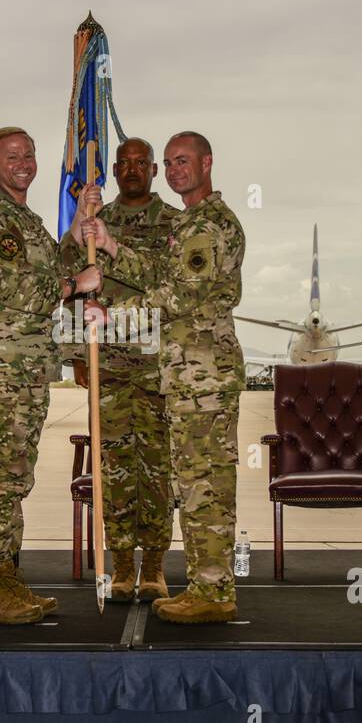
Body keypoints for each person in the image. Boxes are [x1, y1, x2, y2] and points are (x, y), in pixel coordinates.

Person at [85, 131, 244, 624]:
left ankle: (213, 592)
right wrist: (110, 244)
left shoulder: (211, 224)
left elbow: (180, 295)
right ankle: (205, 586)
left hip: (204, 380)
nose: (176, 170)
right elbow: (160, 272)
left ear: (207, 163)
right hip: (186, 379)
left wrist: (113, 318)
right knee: (194, 486)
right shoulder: (193, 221)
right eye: (171, 163)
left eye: (182, 161)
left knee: (205, 487)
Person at [0, 126, 102, 624]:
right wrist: (79, 283)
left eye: (30, 155)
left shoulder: (21, 220)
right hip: (0, 373)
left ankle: (3, 578)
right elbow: (28, 293)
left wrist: (78, 227)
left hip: (24, 372)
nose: (24, 163)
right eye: (13, 156)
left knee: (13, 479)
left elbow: (45, 270)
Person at [61, 138, 179, 602]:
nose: (132, 170)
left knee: (156, 468)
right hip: (106, 363)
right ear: (113, 169)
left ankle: (154, 566)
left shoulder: (173, 223)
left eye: (140, 164)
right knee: (114, 469)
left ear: (153, 170)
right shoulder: (97, 223)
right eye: (123, 164)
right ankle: (123, 566)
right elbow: (72, 279)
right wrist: (75, 355)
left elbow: (175, 288)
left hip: (155, 366)